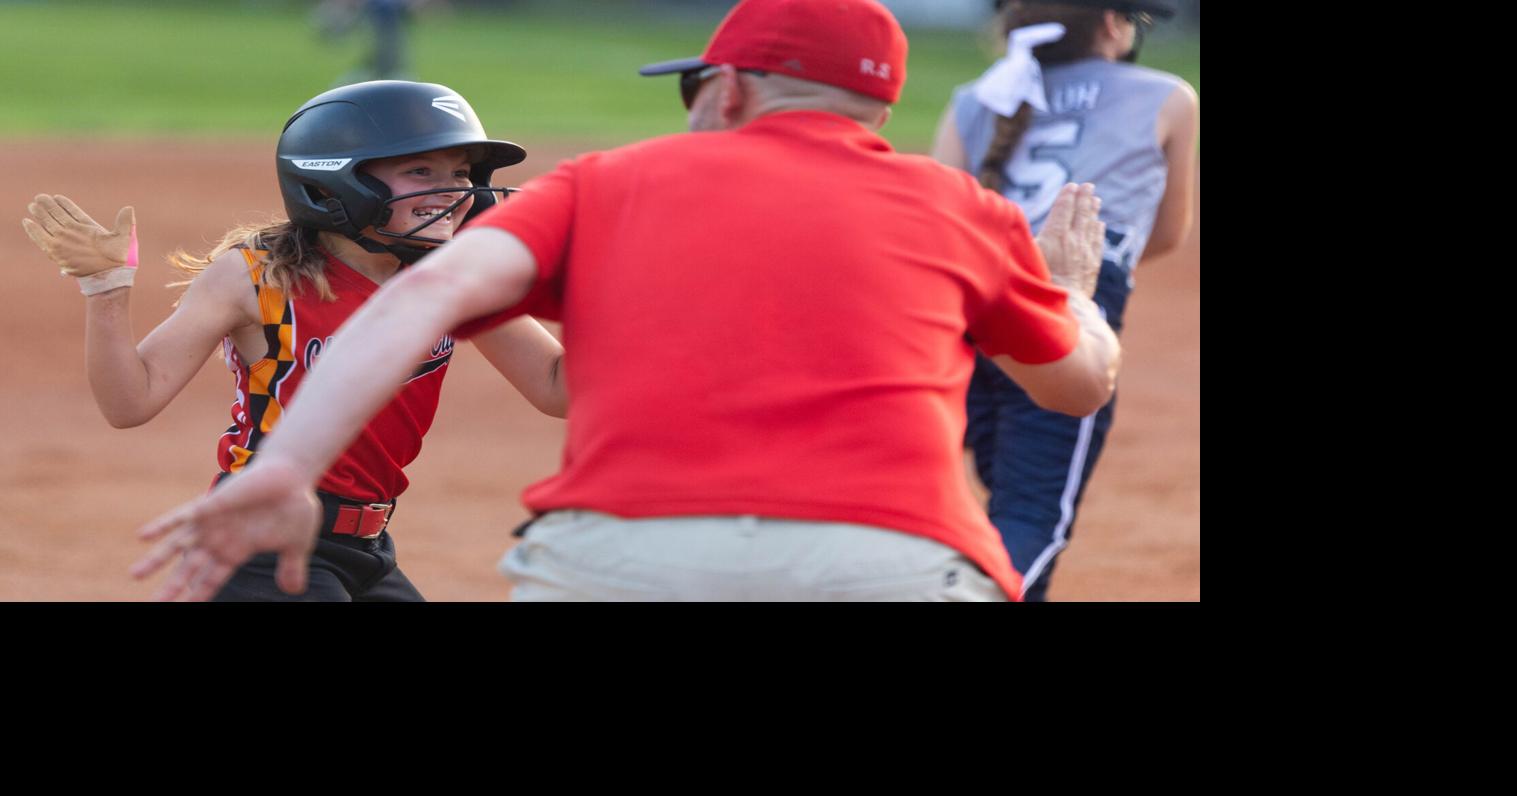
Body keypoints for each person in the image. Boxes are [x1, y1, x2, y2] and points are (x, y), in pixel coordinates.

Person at [132, 0, 1119, 603]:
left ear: (727, 90)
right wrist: (1074, 293)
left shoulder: (607, 181)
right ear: (877, 108)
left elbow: (427, 293)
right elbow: (1073, 388)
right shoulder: (960, 207)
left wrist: (289, 464)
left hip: (621, 561)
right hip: (890, 562)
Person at [23, 80, 566, 601]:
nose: (454, 190)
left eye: (462, 172)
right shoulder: (256, 277)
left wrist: (630, 306)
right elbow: (129, 402)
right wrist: (106, 288)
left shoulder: (450, 276)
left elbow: (555, 387)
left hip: (369, 548)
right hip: (261, 538)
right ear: (337, 181)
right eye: (420, 170)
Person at [930, 0, 1198, 600]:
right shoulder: (1168, 95)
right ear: (1111, 24)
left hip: (960, 299)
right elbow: (1165, 235)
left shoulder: (974, 98)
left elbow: (938, 222)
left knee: (972, 472)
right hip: (1067, 296)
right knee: (1032, 514)